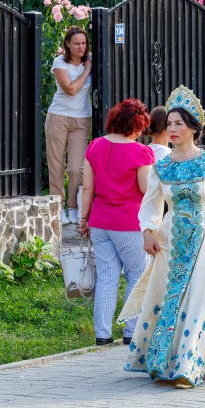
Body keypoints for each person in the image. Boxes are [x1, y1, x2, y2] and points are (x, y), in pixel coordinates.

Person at [119, 86, 205, 388]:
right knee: (169, 295)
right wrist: (147, 231)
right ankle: (162, 361)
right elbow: (151, 202)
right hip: (171, 238)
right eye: (170, 124)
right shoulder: (162, 167)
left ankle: (188, 365)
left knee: (198, 297)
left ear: (193, 127)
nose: (173, 129)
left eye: (179, 123)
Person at [78, 99, 155, 346]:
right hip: (130, 223)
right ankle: (131, 331)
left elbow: (88, 187)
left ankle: (102, 334)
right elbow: (145, 188)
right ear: (137, 126)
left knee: (107, 277)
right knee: (135, 275)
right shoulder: (141, 152)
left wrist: (84, 218)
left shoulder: (95, 146)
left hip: (100, 221)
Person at [47, 26, 93, 225]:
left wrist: (89, 65)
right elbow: (71, 89)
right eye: (76, 43)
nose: (80, 47)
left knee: (77, 168)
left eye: (83, 43)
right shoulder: (60, 62)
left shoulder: (90, 59)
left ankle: (73, 207)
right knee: (56, 165)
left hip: (81, 119)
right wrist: (87, 70)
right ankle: (58, 207)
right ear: (67, 44)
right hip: (58, 116)